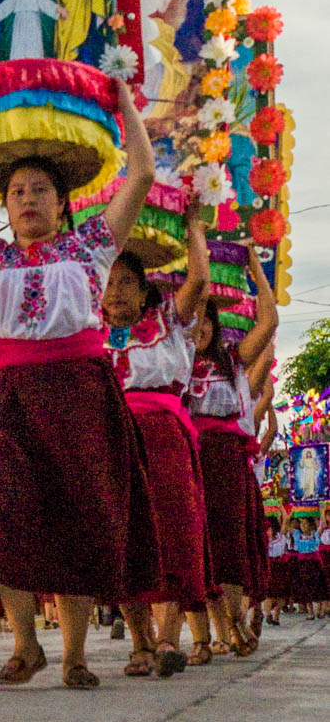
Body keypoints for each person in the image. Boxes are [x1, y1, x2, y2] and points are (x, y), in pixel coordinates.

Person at [0, 78, 162, 690]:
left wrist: (125, 102)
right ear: (4, 207)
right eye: (17, 192)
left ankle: (77, 654)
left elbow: (139, 176)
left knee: (80, 517)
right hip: (9, 400)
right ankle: (27, 646)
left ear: (62, 203)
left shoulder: (91, 247)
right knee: (6, 517)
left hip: (80, 394)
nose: (28, 199)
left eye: (41, 191)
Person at [100, 204, 210, 679]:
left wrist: (192, 229)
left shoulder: (170, 321)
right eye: (107, 280)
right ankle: (140, 643)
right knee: (122, 539)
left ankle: (169, 639)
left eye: (126, 281)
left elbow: (199, 284)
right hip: (113, 437)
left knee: (173, 536)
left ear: (145, 288)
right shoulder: (88, 332)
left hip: (164, 439)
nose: (116, 290)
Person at [184, 261, 277, 663]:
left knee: (228, 547)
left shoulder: (234, 361)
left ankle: (232, 627)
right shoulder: (172, 357)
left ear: (216, 325)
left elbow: (269, 321)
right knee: (190, 545)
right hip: (187, 455)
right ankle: (205, 638)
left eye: (208, 319)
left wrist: (258, 265)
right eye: (194, 317)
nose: (201, 325)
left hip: (226, 462)